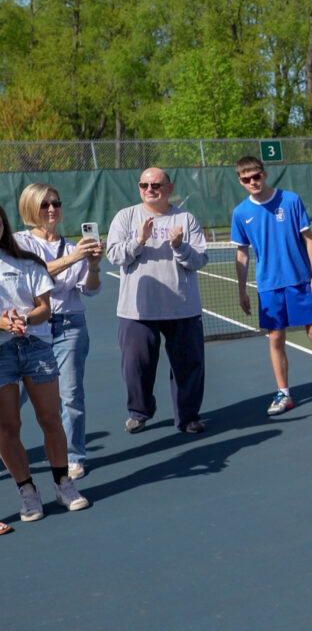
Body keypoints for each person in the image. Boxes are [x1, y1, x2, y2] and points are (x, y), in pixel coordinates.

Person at [231, 156, 312, 416]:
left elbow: (309, 239)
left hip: (300, 281)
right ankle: (284, 393)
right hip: (269, 286)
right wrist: (242, 290)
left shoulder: (291, 200)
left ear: (264, 174)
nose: (252, 182)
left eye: (256, 176)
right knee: (276, 338)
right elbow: (242, 254)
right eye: (246, 179)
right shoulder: (241, 213)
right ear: (240, 181)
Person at [0, 203, 89, 531]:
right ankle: (27, 491)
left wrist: (22, 319)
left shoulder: (27, 262)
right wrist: (3, 324)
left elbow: (44, 308)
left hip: (35, 348)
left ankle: (63, 484)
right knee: (8, 427)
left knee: (51, 419)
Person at [106, 167, 208, 434]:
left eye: (156, 185)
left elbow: (199, 259)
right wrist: (139, 240)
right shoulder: (126, 217)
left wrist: (179, 246)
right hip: (136, 310)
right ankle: (139, 412)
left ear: (169, 188)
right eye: (144, 185)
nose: (150, 189)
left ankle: (188, 417)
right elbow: (114, 255)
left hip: (182, 309)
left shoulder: (186, 219)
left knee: (188, 367)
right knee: (136, 368)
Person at [15, 183, 102, 479]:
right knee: (14, 397)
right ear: (31, 208)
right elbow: (31, 277)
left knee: (71, 395)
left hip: (69, 325)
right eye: (44, 204)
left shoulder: (71, 245)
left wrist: (93, 267)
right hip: (32, 329)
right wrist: (73, 258)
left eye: (56, 203)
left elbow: (88, 290)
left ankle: (73, 455)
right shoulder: (20, 243)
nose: (52, 209)